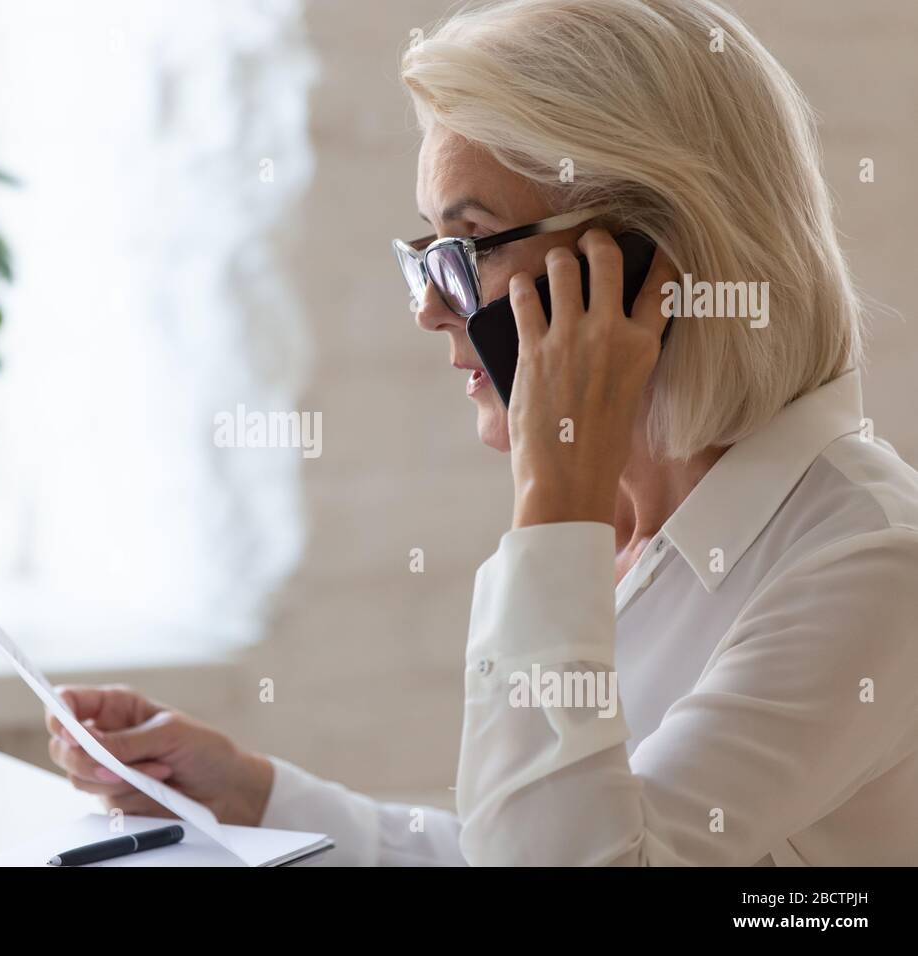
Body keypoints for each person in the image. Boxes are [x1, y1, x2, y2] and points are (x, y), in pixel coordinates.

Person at [48, 0, 918, 865]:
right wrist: (249, 792)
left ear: (646, 262)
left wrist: (555, 502)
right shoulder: (617, 525)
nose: (430, 307)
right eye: (426, 251)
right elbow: (525, 838)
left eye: (470, 244)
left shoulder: (866, 563)